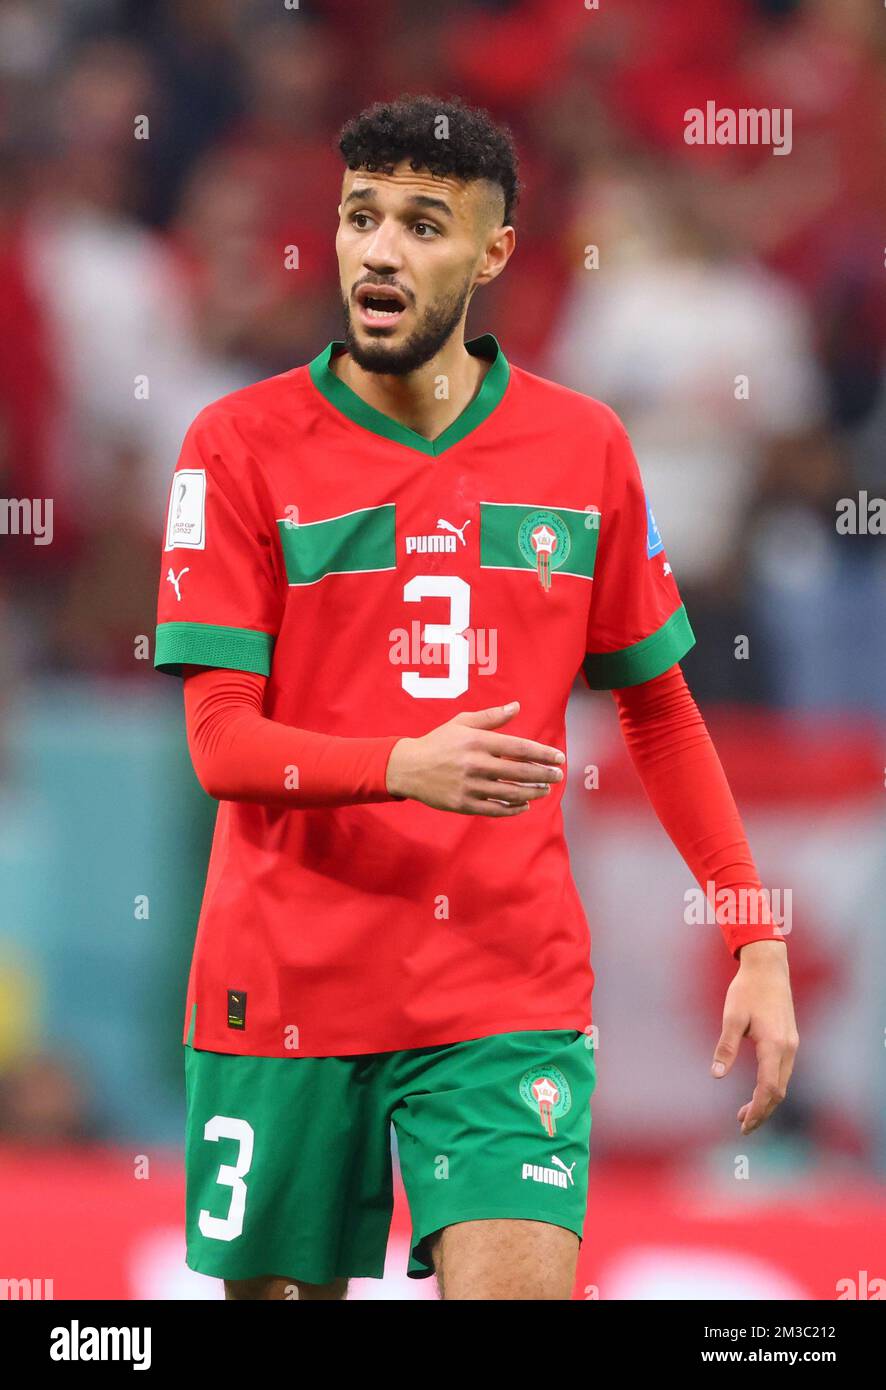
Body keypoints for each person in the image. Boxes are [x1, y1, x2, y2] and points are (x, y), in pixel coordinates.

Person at [153, 95, 798, 1301]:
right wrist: (403, 764)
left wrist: (754, 931)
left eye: (423, 224)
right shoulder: (237, 445)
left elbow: (659, 711)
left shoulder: (583, 447)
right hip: (284, 986)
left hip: (505, 988)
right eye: (361, 219)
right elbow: (221, 744)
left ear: (493, 253)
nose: (380, 250)